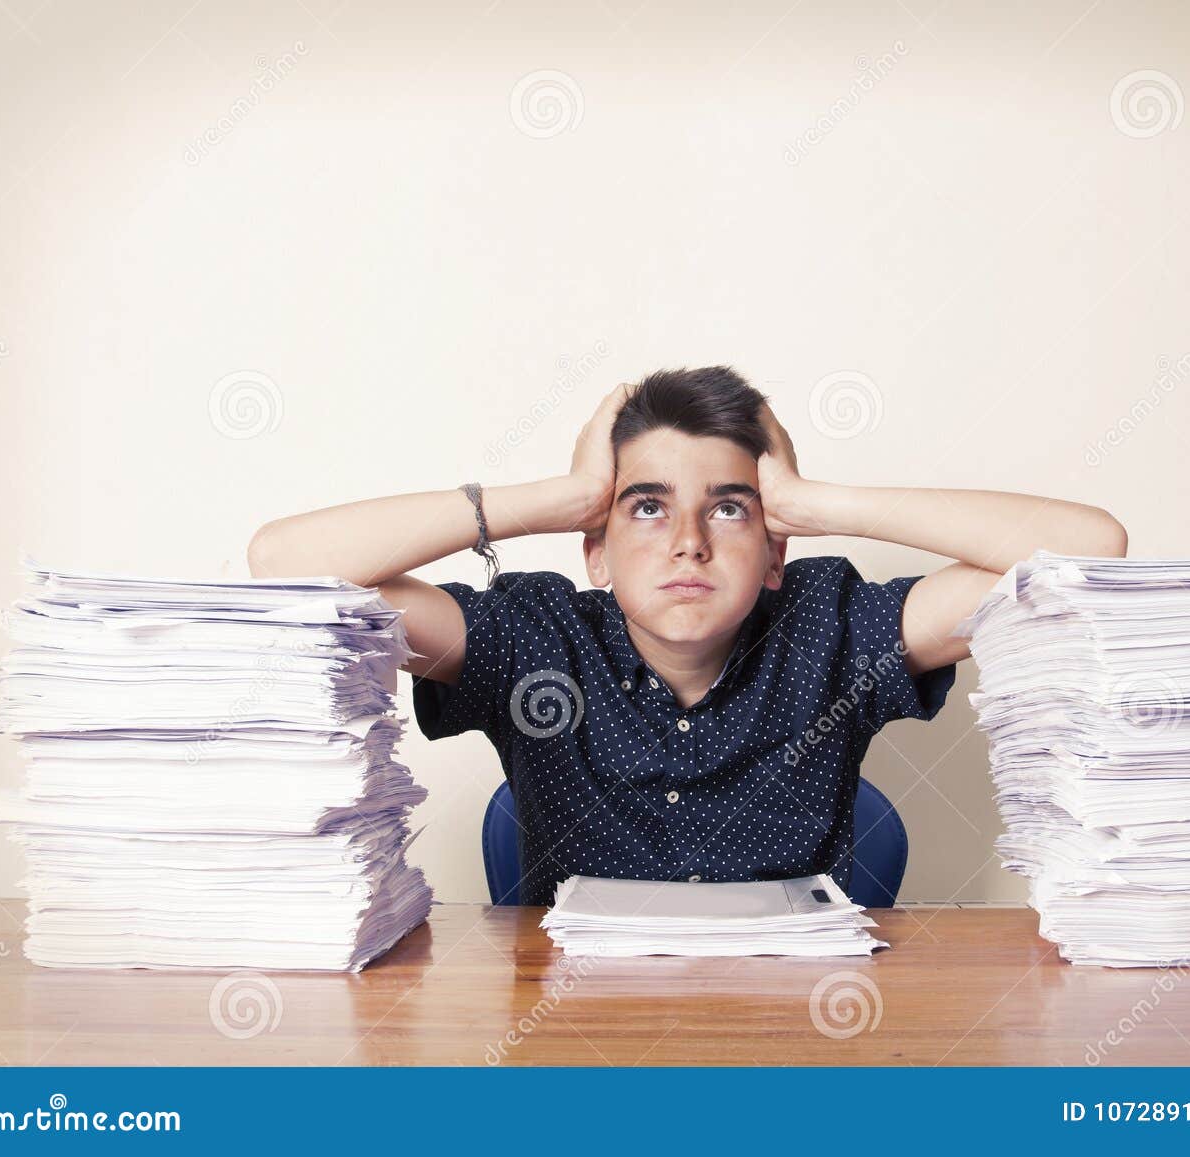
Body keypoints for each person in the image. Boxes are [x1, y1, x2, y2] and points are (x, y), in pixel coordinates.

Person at [247, 366, 1127, 904]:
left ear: (775, 550)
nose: (688, 542)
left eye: (729, 508)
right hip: (575, 1050)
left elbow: (1091, 549)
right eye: (647, 506)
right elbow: (284, 563)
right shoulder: (532, 638)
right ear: (595, 551)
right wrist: (559, 497)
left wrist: (815, 502)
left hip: (789, 1047)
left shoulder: (831, 628)